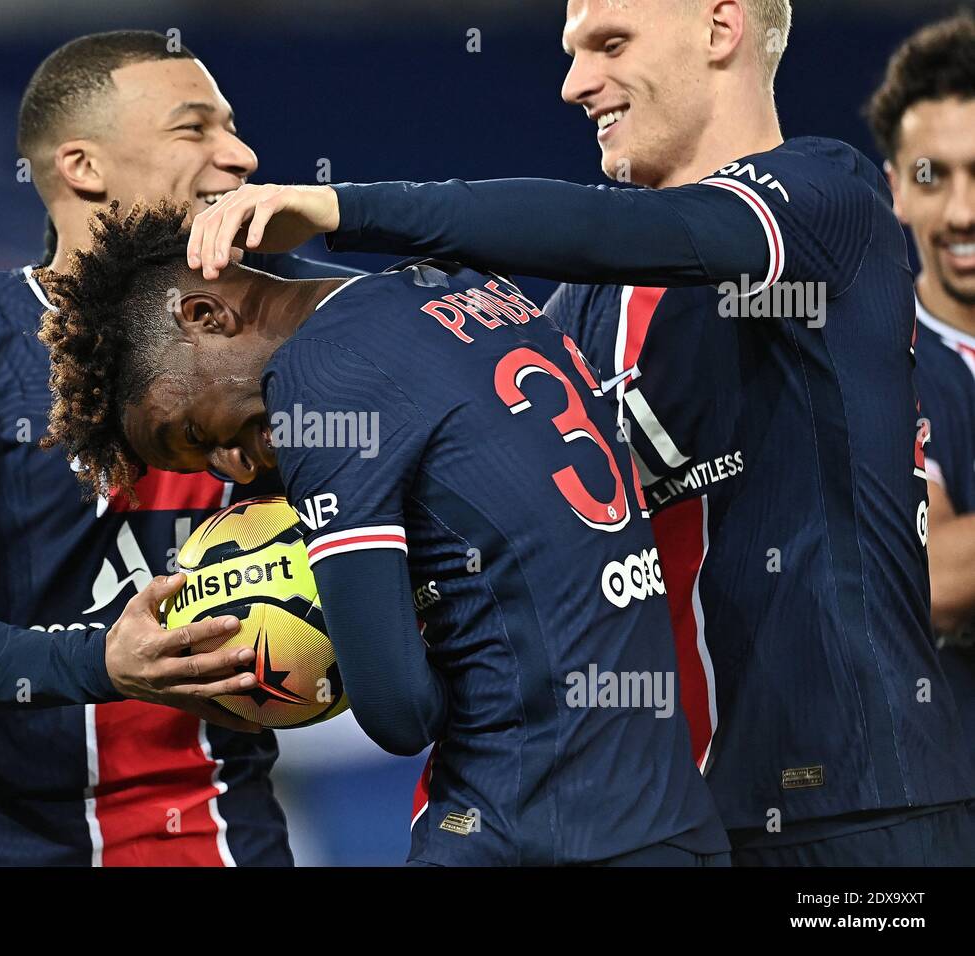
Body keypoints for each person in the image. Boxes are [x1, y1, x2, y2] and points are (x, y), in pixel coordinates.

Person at [182, 0, 975, 864]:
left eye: (609, 44)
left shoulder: (830, 196)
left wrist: (345, 205)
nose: (573, 84)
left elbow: (649, 231)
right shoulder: (577, 318)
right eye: (570, 53)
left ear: (721, 28)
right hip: (673, 823)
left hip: (858, 811)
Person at [37, 199, 730, 866]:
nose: (240, 464)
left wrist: (312, 649)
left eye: (194, 432)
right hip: (672, 819)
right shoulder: (468, 286)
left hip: (524, 823)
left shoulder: (320, 378)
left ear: (204, 315)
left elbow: (399, 713)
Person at [0, 30, 354, 866]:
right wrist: (104, 663)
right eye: (195, 129)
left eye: (232, 126)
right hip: (2, 846)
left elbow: (460, 328)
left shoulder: (296, 313)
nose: (241, 154)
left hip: (226, 837)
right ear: (83, 167)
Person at [869, 12, 975, 750]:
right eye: (932, 177)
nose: (962, 211)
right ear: (896, 191)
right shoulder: (880, 355)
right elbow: (933, 578)